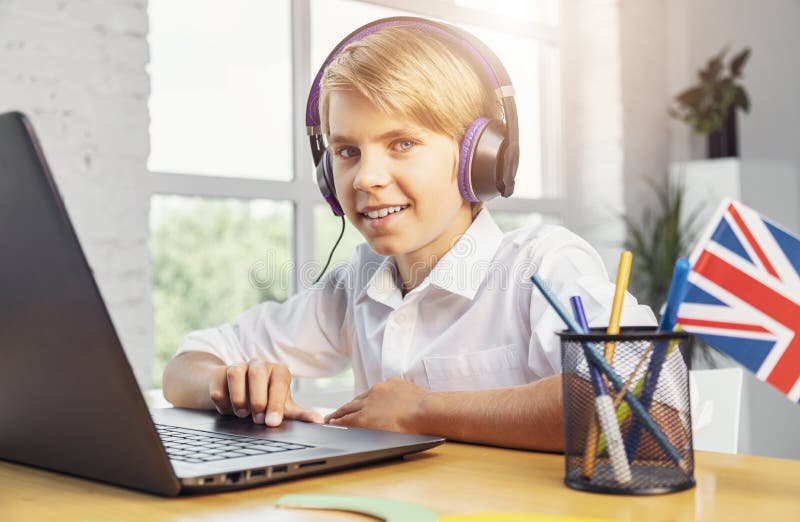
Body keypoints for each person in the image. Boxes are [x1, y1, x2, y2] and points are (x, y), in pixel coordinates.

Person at [162, 17, 656, 452]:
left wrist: (424, 409)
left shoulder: (543, 265)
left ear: (478, 159)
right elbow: (182, 369)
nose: (366, 178)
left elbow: (644, 405)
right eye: (347, 151)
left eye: (402, 143)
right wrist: (230, 384)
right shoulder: (357, 286)